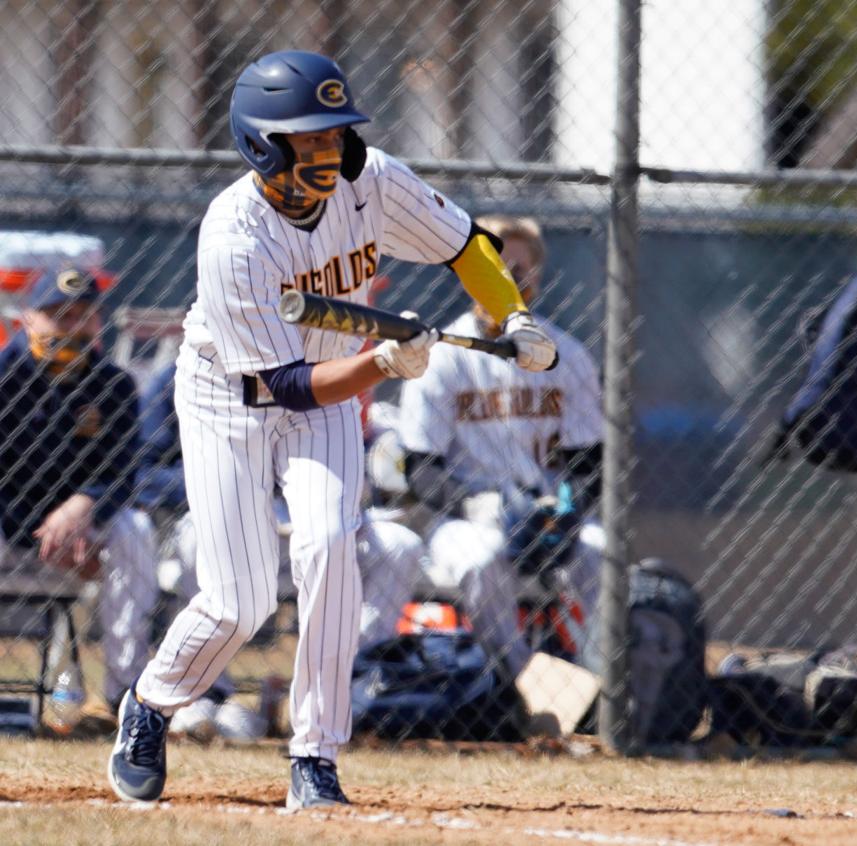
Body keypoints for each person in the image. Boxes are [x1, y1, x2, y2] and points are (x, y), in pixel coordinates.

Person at [107, 51, 555, 808]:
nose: (324, 151)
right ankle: (150, 704)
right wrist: (384, 361)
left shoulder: (371, 180)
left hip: (329, 391)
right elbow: (278, 384)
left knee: (329, 549)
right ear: (260, 143)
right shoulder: (233, 235)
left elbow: (465, 242)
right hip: (229, 397)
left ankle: (315, 756)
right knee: (239, 599)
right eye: (304, 138)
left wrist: (512, 314)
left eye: (331, 135)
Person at [136, 360, 426, 741]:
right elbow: (146, 472)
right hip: (233, 518)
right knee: (197, 539)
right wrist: (230, 487)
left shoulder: (332, 357)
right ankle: (207, 693)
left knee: (399, 546)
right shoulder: (189, 370)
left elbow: (370, 454)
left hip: (315, 518)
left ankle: (350, 684)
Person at [395, 215, 604, 680]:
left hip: (551, 514)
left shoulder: (566, 355)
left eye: (520, 269)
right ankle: (521, 687)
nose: (509, 280)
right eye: (494, 268)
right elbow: (421, 468)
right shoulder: (442, 356)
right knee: (483, 560)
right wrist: (478, 504)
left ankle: (602, 691)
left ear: (539, 277)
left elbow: (590, 460)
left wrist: (570, 507)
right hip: (467, 516)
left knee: (597, 549)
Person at [0, 268, 157, 712]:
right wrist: (40, 530)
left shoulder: (114, 385)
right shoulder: (3, 378)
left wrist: (86, 508)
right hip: (11, 533)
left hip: (86, 537)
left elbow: (123, 473)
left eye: (83, 316)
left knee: (136, 530)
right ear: (27, 319)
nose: (71, 326)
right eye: (58, 315)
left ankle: (126, 695)